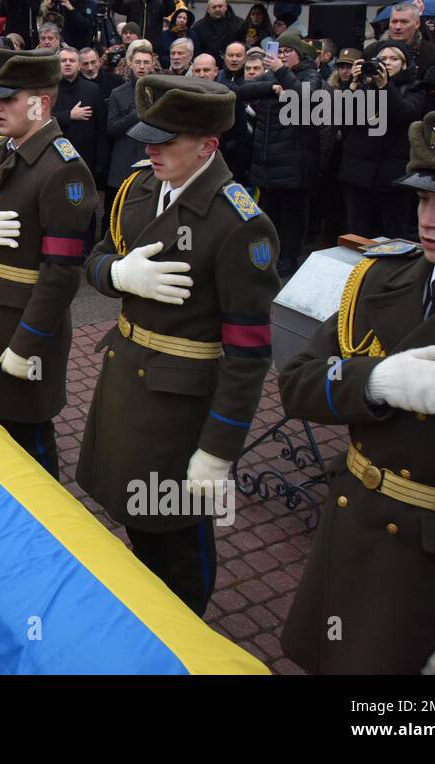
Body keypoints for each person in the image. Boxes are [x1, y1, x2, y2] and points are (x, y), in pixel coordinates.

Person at [279, 111, 435, 674]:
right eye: (422, 199)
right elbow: (297, 385)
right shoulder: (381, 277)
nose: (429, 219)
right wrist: (372, 382)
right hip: (351, 529)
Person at [78, 75, 280, 614]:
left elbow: (249, 353)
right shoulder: (139, 187)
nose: (150, 149)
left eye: (165, 140)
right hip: (127, 374)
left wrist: (219, 450)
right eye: (149, 136)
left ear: (207, 145)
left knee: (176, 536)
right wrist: (118, 275)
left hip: (181, 405)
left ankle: (186, 632)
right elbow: (94, 259)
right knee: (135, 519)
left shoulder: (240, 224)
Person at [0, 48, 98, 476]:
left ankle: (47, 531)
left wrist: (25, 345)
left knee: (30, 440)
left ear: (41, 104)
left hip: (24, 326)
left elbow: (61, 274)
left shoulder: (63, 170)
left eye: (7, 98)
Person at [247, 31, 325, 276]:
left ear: (299, 54)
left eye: (286, 52)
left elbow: (306, 97)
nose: (281, 56)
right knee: (269, 213)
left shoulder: (311, 76)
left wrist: (281, 72)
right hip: (268, 158)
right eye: (278, 52)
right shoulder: (271, 76)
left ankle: (289, 258)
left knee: (293, 215)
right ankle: (268, 255)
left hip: (294, 160)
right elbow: (246, 89)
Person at [338, 42, 425, 240]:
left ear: (405, 64)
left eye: (394, 59)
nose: (387, 63)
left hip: (392, 177)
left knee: (391, 235)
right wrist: (351, 84)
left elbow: (404, 116)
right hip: (358, 175)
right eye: (383, 59)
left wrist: (385, 86)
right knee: (357, 234)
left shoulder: (415, 88)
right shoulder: (363, 86)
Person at [104, 41, 157, 204]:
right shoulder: (118, 93)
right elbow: (112, 128)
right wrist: (134, 115)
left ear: (152, 64)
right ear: (130, 64)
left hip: (152, 159)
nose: (142, 66)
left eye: (146, 62)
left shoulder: (160, 91)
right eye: (138, 62)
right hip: (124, 161)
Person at [53, 45, 106, 190]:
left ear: (79, 66)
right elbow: (40, 120)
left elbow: (101, 127)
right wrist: (68, 115)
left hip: (87, 157)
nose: (68, 63)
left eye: (72, 60)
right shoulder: (49, 90)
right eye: (63, 60)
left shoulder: (93, 89)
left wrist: (102, 161)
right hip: (55, 156)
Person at [110, 0, 174, 44]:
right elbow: (114, 6)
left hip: (153, 48)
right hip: (133, 46)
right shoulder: (131, 5)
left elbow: (171, 8)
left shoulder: (159, 5)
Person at [387, 0, 435, 78]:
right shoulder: (374, 50)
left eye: (404, 22)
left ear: (417, 23)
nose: (397, 27)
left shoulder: (433, 53)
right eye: (394, 22)